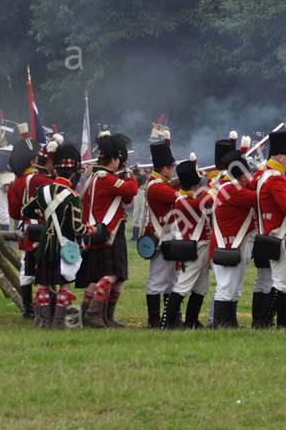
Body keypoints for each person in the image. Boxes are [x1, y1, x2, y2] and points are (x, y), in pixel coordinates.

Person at [21, 142, 87, 328]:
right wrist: (91, 230)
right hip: (64, 244)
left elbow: (26, 211)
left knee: (43, 283)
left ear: (56, 170)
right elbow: (76, 227)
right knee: (64, 284)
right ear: (73, 174)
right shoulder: (73, 196)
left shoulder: (43, 191)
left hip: (45, 244)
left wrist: (42, 214)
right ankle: (58, 322)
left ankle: (43, 321)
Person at [76, 132, 138, 328]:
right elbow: (131, 190)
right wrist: (130, 175)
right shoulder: (106, 178)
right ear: (114, 159)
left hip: (101, 231)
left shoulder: (97, 177)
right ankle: (93, 314)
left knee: (113, 277)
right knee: (109, 274)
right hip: (108, 232)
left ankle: (103, 316)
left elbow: (127, 198)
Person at [250, 127, 286, 328]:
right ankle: (268, 320)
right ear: (280, 156)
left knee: (280, 280)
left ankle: (276, 321)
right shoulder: (275, 178)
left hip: (273, 232)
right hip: (280, 233)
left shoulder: (267, 175)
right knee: (281, 282)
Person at [208, 143, 258, 328]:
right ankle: (220, 323)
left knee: (234, 287)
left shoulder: (233, 187)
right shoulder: (232, 190)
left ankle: (231, 322)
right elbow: (257, 198)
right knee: (226, 286)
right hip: (227, 245)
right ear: (243, 176)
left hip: (236, 245)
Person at [170, 157, 215, 328]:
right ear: (193, 186)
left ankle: (191, 321)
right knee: (183, 285)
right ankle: (169, 321)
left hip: (202, 246)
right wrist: (214, 189)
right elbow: (204, 202)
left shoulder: (192, 197)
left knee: (201, 287)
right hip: (192, 248)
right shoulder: (182, 201)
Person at [142, 130, 181, 328]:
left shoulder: (162, 183)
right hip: (161, 235)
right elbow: (178, 198)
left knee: (172, 280)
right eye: (172, 167)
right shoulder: (156, 186)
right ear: (164, 169)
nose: (173, 170)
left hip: (170, 235)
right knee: (158, 279)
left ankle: (171, 319)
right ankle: (154, 320)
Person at [6, 138, 48, 318]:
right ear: (33, 161)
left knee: (26, 269)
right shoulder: (41, 180)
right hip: (43, 228)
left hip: (26, 230)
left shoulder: (13, 185)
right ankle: (44, 307)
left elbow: (15, 214)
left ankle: (28, 309)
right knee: (46, 267)